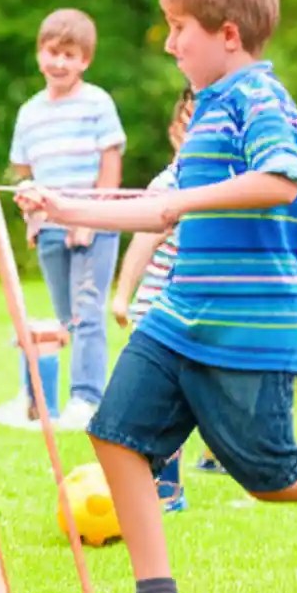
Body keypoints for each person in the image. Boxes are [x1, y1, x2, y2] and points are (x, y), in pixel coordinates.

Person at [18, 0, 297, 593]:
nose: (171, 42)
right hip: (179, 317)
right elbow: (156, 208)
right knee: (113, 431)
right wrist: (63, 206)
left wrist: (185, 203)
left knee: (272, 475)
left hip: (246, 327)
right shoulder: (209, 108)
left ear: (228, 35)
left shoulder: (260, 98)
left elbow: (282, 177)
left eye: (180, 27)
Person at [0, 7, 126, 431]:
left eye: (71, 55)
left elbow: (110, 160)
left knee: (88, 312)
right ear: (39, 54)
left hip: (92, 225)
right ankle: (36, 397)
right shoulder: (30, 112)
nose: (60, 63)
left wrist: (91, 217)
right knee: (63, 317)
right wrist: (32, 210)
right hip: (49, 229)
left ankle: (87, 399)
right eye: (53, 53)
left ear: (85, 60)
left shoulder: (97, 102)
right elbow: (25, 171)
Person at [109, 86, 194, 512]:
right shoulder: (170, 184)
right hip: (157, 311)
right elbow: (145, 238)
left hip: (195, 315)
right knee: (157, 402)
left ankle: (167, 485)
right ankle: (165, 488)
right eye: (188, 126)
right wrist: (123, 295)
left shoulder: (226, 184)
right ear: (175, 132)